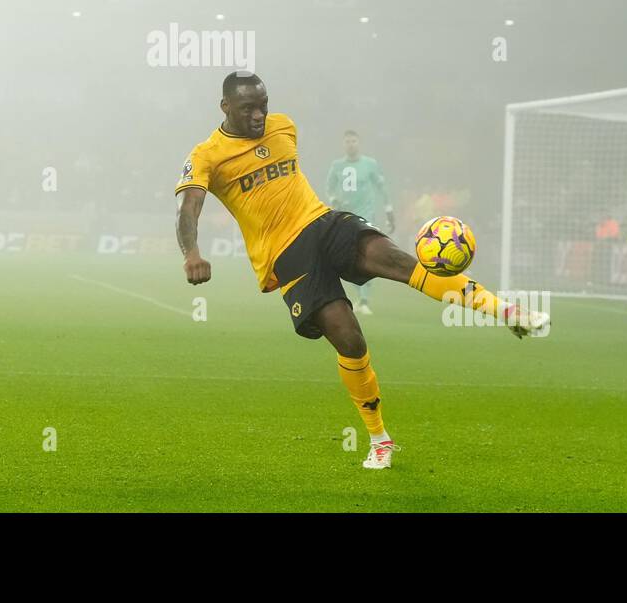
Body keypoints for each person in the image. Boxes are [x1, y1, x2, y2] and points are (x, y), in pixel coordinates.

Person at [174, 71, 549, 469]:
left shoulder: (284, 127)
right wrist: (191, 252)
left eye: (263, 104)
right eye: (248, 108)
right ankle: (379, 439)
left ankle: (508, 311)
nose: (259, 115)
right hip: (286, 255)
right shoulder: (206, 156)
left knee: (402, 262)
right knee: (350, 340)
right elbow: (189, 208)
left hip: (323, 222)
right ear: (225, 107)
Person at [324, 130, 394, 314]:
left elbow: (382, 187)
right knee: (349, 257)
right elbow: (329, 187)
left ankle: (364, 299)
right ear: (343, 144)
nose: (350, 144)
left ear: (359, 143)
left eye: (353, 141)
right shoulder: (337, 165)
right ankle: (360, 298)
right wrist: (333, 199)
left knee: (367, 252)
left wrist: (388, 210)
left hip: (366, 215)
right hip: (346, 216)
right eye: (347, 141)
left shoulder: (370, 164)